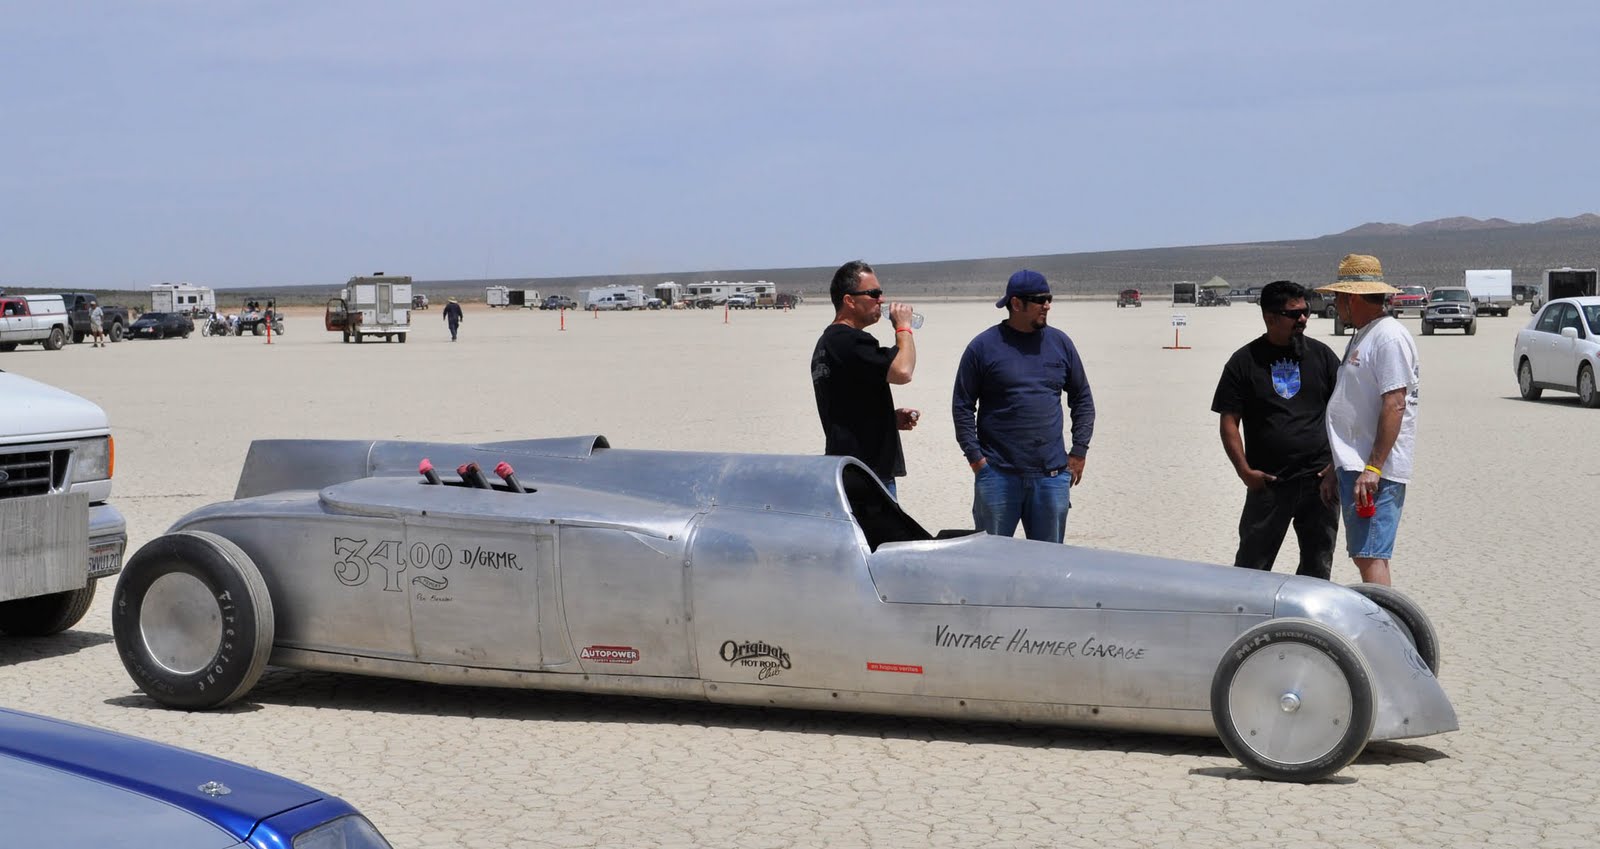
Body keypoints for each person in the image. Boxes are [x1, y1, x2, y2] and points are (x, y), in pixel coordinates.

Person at [952, 270, 1095, 543]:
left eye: (1049, 299)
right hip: (997, 475)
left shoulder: (1060, 344)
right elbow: (962, 405)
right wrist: (976, 460)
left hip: (1051, 478)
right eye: (1040, 300)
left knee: (1048, 567)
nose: (1047, 305)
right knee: (990, 564)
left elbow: (1082, 398)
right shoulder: (983, 347)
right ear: (1016, 304)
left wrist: (1079, 451)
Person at [1211, 280, 1341, 579]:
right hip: (1269, 484)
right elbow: (1229, 421)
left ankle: (1305, 625)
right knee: (1252, 568)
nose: (1304, 319)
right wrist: (1244, 471)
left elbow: (1344, 413)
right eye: (1294, 314)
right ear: (1270, 317)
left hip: (1319, 484)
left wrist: (1336, 464)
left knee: (1317, 567)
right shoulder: (1244, 362)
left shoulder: (1322, 357)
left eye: (1305, 312)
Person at [1316, 254, 1419, 587]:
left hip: (1375, 472)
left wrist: (1373, 467)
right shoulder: (1364, 334)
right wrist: (1337, 464)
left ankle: (1388, 630)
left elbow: (1395, 403)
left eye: (1337, 297)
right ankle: (1388, 628)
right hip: (1355, 465)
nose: (1335, 305)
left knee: (1371, 554)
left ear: (1353, 298)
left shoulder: (1389, 337)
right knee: (1366, 553)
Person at [810, 260, 919, 499]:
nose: (881, 300)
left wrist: (888, 419)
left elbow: (845, 409)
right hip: (867, 475)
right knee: (880, 537)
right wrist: (903, 328)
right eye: (874, 293)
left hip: (850, 469)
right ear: (849, 300)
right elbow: (903, 370)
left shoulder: (829, 343)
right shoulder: (848, 341)